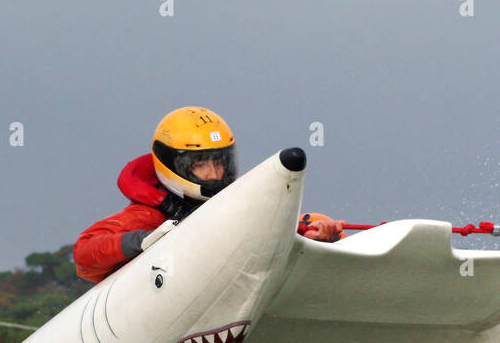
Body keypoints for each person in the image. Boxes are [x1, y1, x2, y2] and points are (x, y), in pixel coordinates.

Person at [73, 106, 341, 284]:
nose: (214, 174)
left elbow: (267, 233)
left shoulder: (234, 208)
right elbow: (84, 254)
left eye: (219, 162)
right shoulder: (146, 216)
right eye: (200, 164)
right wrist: (146, 241)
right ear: (173, 164)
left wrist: (320, 237)